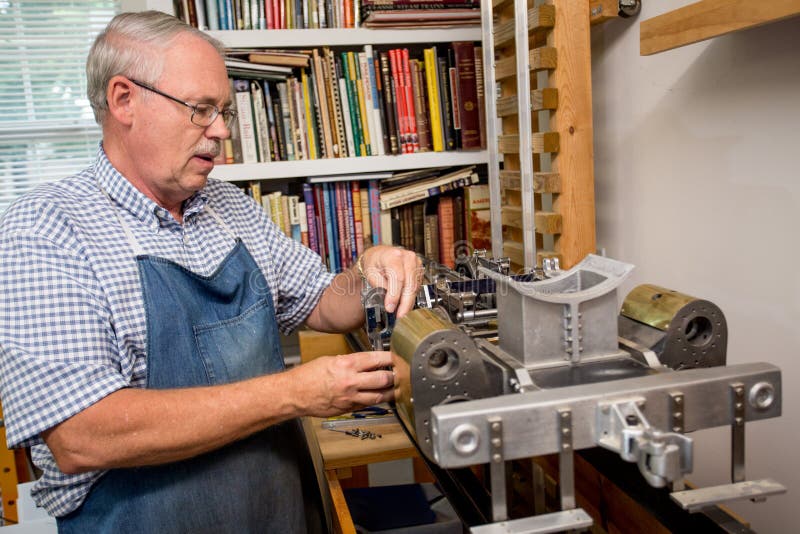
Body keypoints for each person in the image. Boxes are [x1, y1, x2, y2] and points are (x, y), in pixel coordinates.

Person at [0, 10, 421, 533]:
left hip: (278, 513)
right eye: (201, 109)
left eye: (222, 110)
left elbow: (327, 303)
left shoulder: (231, 208)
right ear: (124, 99)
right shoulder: (45, 228)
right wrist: (293, 393)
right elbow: (83, 437)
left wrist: (370, 268)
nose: (221, 131)